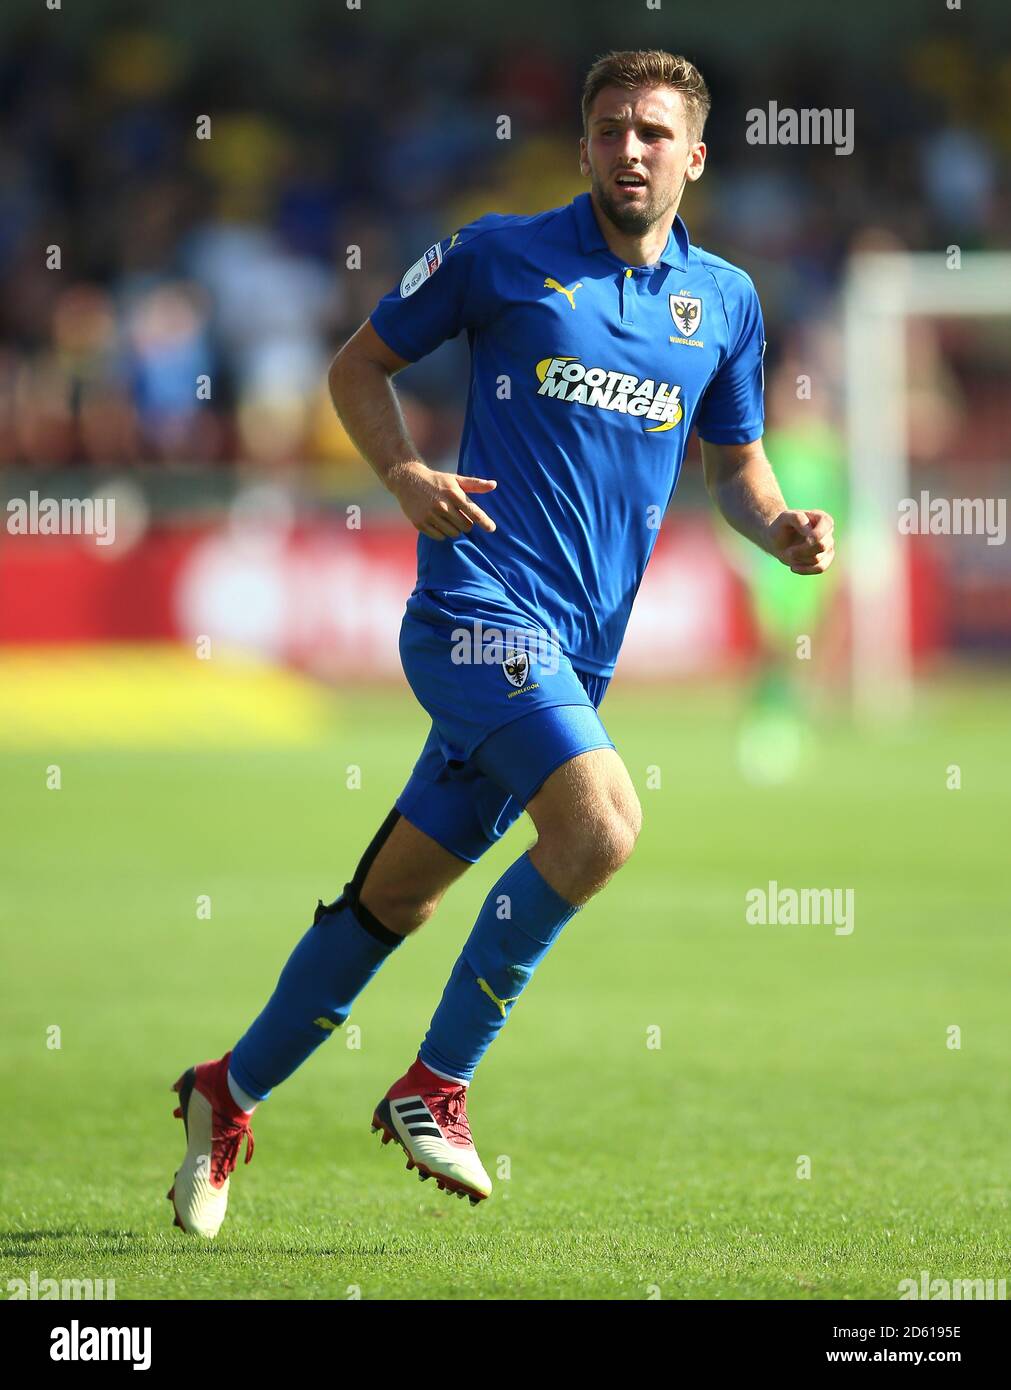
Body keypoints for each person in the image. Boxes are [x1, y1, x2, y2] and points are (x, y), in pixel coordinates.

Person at [167, 47, 835, 1237]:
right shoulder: (498, 256)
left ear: (695, 155)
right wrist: (405, 472)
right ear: (582, 146)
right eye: (611, 128)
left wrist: (778, 525)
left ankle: (228, 1089)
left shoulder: (724, 303)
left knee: (395, 900)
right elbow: (357, 363)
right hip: (473, 616)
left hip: (574, 658)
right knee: (603, 823)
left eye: (653, 132)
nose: (631, 148)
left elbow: (736, 469)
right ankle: (437, 1084)